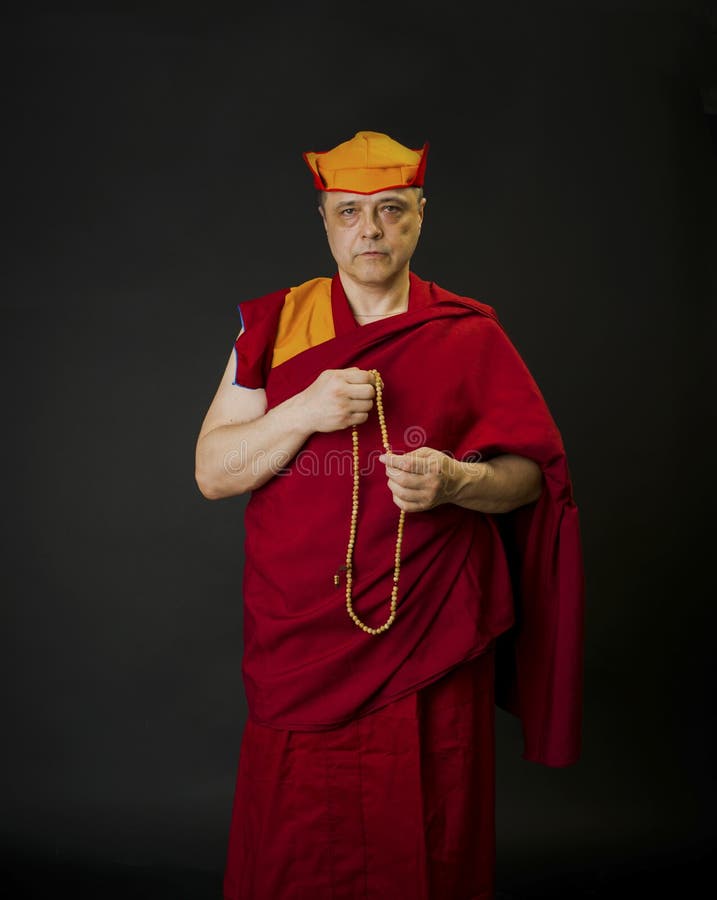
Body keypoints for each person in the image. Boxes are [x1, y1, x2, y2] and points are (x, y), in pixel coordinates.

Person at [194, 130, 585, 900]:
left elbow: (530, 482)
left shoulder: (467, 332)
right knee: (297, 838)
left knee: (431, 827)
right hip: (301, 632)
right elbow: (212, 473)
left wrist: (453, 485)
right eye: (348, 212)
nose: (368, 229)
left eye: (389, 210)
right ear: (325, 220)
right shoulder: (274, 325)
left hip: (427, 631)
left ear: (418, 217)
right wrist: (301, 410)